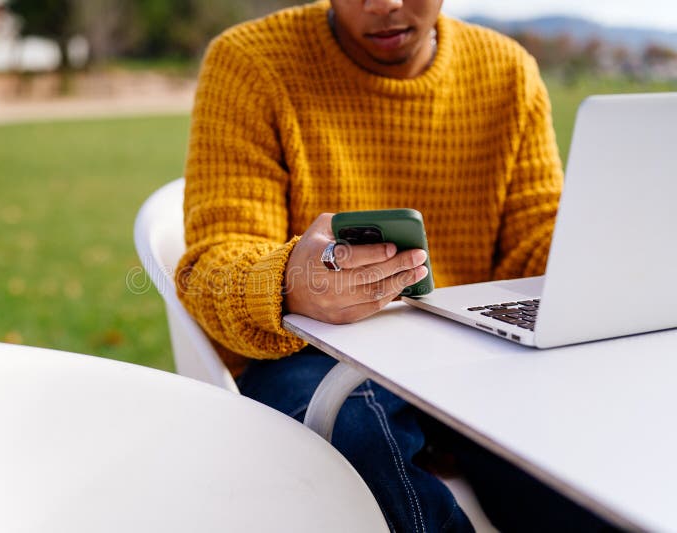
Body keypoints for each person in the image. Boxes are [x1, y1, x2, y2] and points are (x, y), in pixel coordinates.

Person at [176, 0, 613, 531]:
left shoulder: (507, 72)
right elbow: (211, 265)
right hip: (313, 352)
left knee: (589, 473)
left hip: (477, 355)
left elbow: (534, 244)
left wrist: (608, 245)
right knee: (355, 443)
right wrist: (291, 279)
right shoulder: (251, 63)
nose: (384, 5)